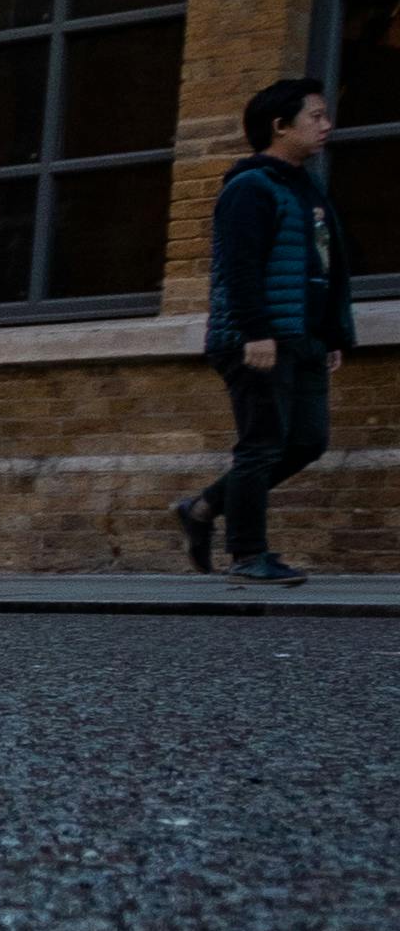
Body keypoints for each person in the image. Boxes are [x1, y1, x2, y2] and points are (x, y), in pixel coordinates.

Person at [178, 71, 362, 583]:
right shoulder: (250, 187)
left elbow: (326, 267)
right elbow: (238, 267)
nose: (327, 125)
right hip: (256, 339)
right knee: (260, 445)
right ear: (280, 126)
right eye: (316, 117)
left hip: (303, 336)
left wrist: (330, 335)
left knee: (306, 442)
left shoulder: (308, 190)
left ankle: (202, 508)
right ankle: (247, 555)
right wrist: (256, 332)